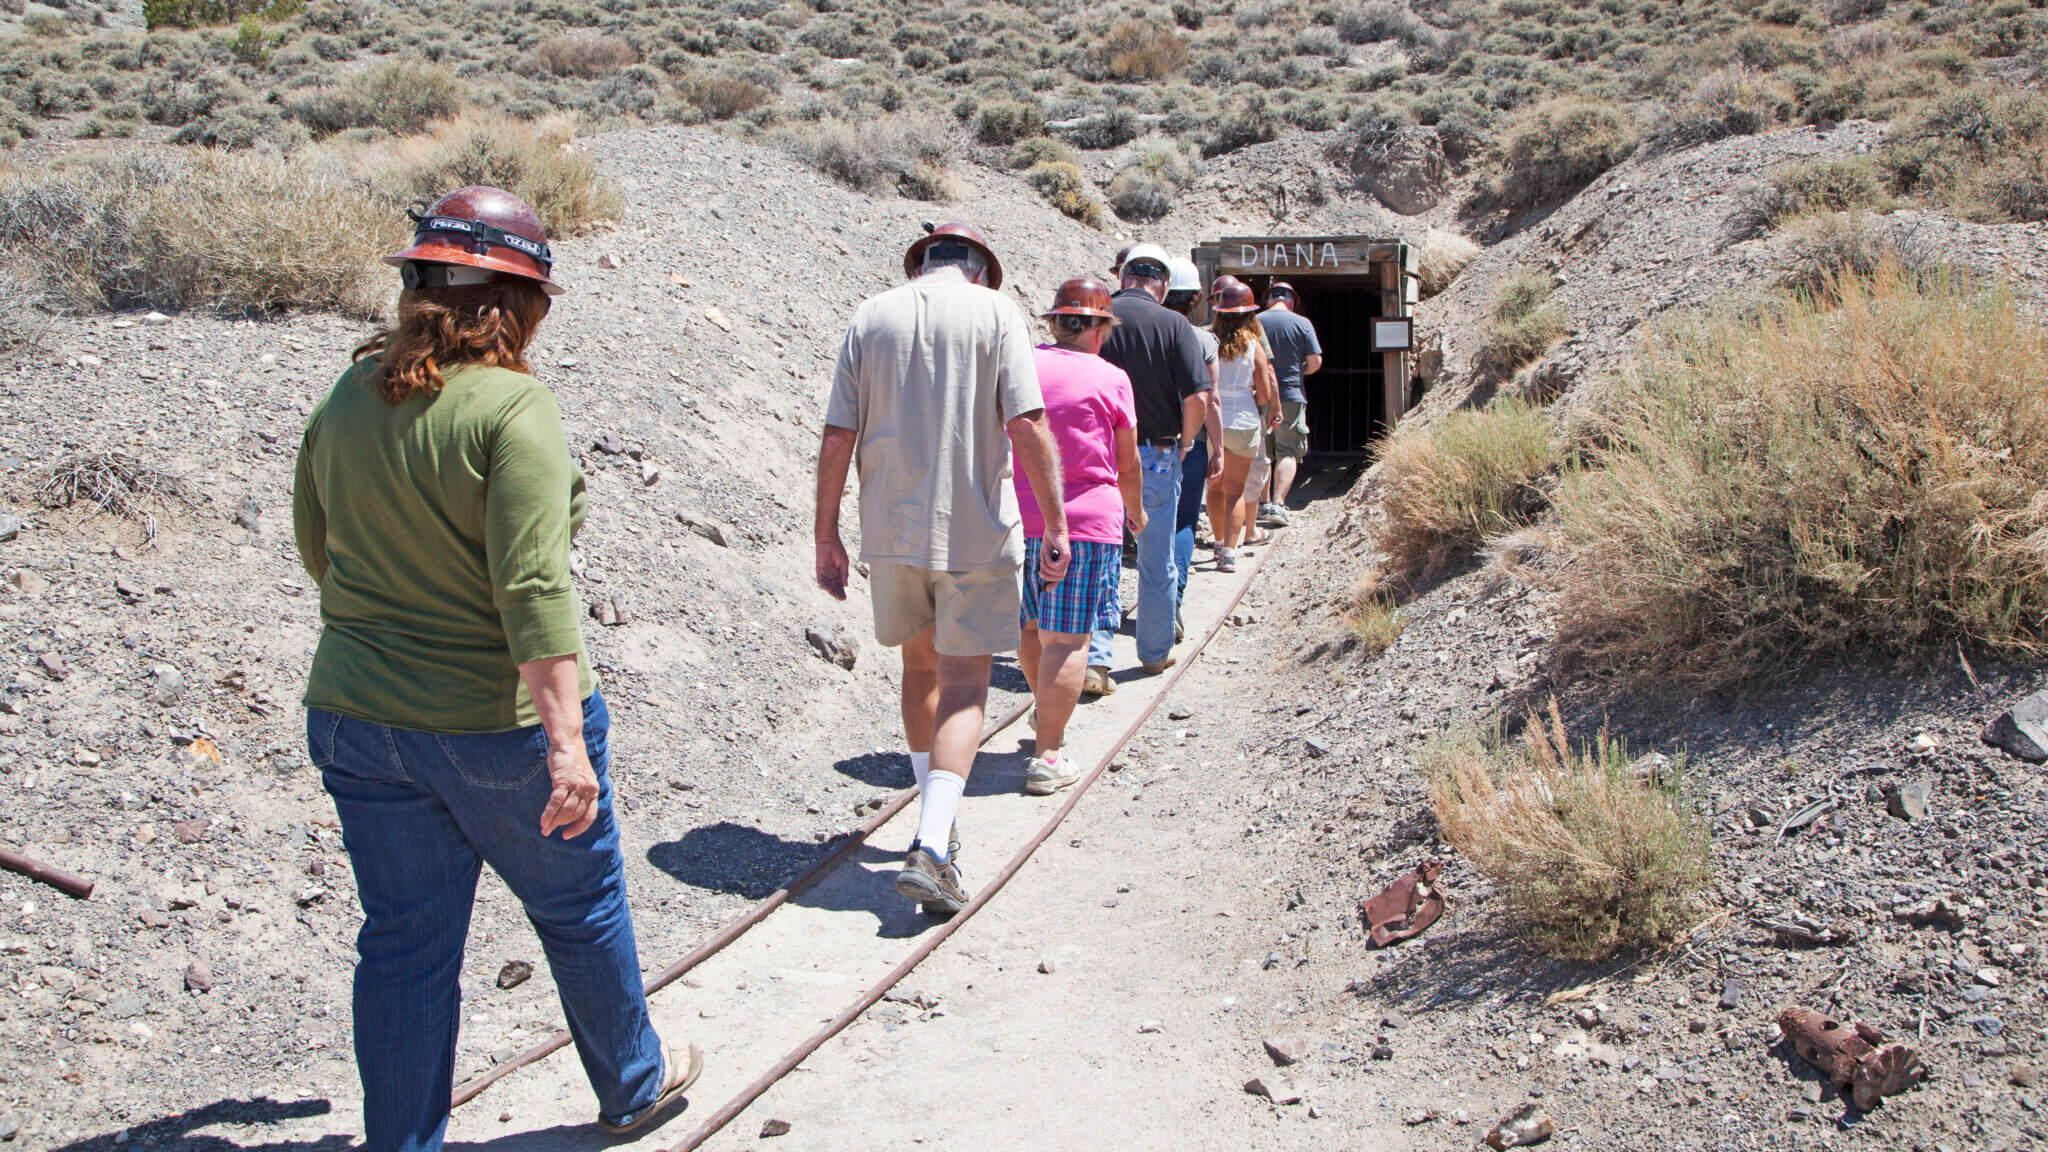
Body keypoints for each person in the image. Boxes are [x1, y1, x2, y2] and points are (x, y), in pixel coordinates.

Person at [293, 187, 698, 1150]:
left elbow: (319, 548)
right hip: (495, 727)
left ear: (418, 288)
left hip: (356, 715)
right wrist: (567, 747)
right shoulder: (514, 409)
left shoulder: (348, 396)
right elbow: (532, 591)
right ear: (520, 305)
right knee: (576, 903)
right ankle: (634, 1083)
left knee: (404, 946)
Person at [814, 223, 1068, 915]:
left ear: (921, 266)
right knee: (965, 682)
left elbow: (839, 432)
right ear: (982, 270)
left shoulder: (872, 315)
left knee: (920, 671)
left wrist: (824, 534)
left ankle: (935, 825)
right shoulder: (995, 313)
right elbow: (1025, 423)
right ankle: (931, 843)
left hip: (891, 532)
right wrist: (1058, 522)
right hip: (975, 533)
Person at [1015, 277, 1143, 795]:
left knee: (1030, 628)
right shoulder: (1112, 378)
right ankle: (1048, 753)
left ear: (1054, 322)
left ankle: (1046, 710)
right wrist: (1135, 511)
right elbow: (1127, 460)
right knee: (1069, 639)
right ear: (1100, 329)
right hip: (1086, 521)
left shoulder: (1021, 365)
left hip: (1016, 517)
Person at [1096, 242, 1210, 677]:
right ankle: (1154, 652)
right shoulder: (1175, 326)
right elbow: (1198, 397)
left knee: (1101, 555)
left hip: (1102, 454)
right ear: (1162, 286)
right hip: (1157, 454)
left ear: (1123, 277)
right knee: (1155, 558)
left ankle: (1095, 659)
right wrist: (1185, 441)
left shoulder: (1097, 319)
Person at [1204, 276, 1278, 573]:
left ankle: (1218, 542)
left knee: (1215, 487)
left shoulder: (1209, 341)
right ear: (1249, 314)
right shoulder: (1254, 346)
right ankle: (1230, 553)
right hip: (1245, 421)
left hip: (1215, 420)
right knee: (1235, 490)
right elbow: (1265, 392)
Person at [1163, 257, 1222, 629]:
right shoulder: (1202, 339)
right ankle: (1173, 601)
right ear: (1197, 299)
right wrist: (1218, 447)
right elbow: (1211, 398)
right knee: (1184, 522)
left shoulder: (1146, 331)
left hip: (1146, 441)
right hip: (1192, 442)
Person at [1257, 280, 1322, 527]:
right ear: (1292, 300)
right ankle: (1278, 503)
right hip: (1291, 395)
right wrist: (1296, 372)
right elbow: (1315, 362)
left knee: (1261, 451)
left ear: (1268, 299)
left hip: (1260, 393)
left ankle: (1261, 505)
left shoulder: (1256, 321)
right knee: (1287, 451)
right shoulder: (1302, 323)